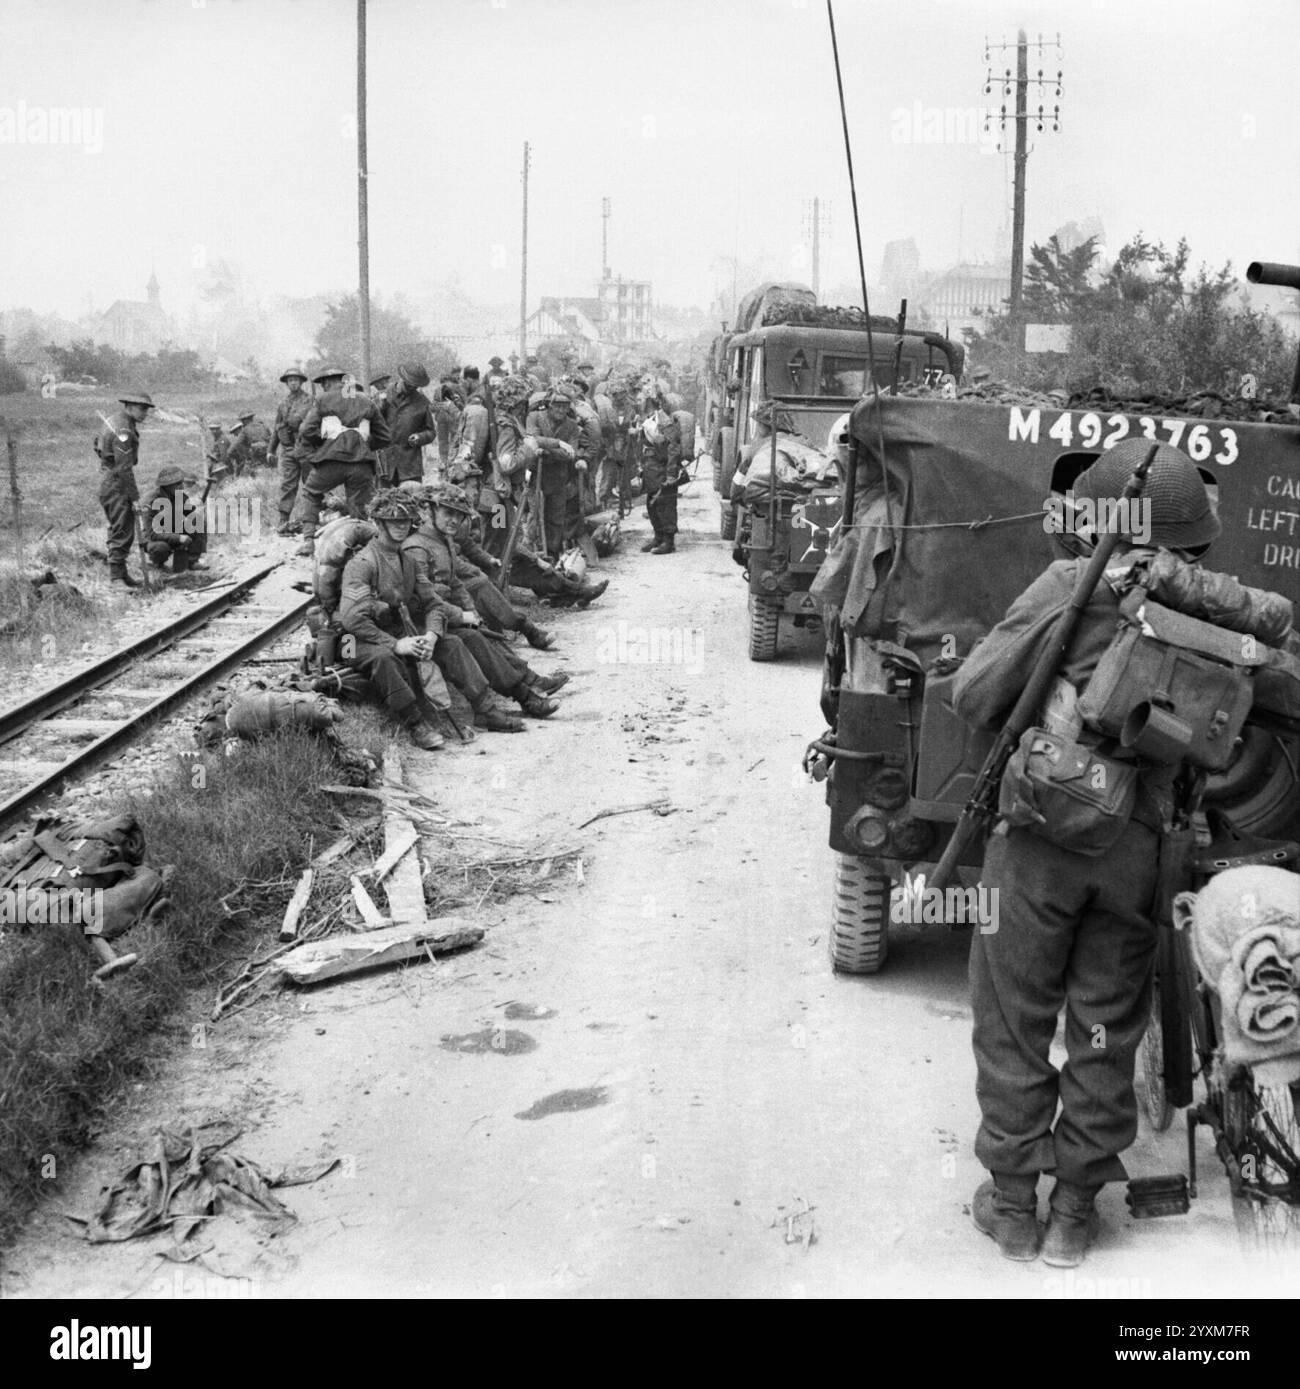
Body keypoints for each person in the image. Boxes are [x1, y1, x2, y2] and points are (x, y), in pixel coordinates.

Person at [949, 440, 1239, 1268]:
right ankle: (1074, 1213)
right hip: (1142, 850)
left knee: (1013, 1017)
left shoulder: (1070, 587)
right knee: (1107, 1024)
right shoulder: (1216, 610)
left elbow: (974, 694)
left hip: (1041, 839)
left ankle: (1012, 1207)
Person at [404, 484, 564, 722]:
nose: (454, 520)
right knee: (475, 638)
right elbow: (425, 600)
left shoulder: (443, 539)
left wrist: (470, 611)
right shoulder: (416, 548)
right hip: (423, 622)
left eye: (459, 515)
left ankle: (528, 688)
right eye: (448, 513)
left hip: (444, 614)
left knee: (484, 633)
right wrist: (462, 616)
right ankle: (521, 697)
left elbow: (455, 581)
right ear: (430, 511)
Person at [336, 489, 447, 751]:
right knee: (384, 659)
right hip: (352, 639)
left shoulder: (408, 561)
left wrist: (431, 635)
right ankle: (416, 722)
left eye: (405, 521)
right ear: (378, 523)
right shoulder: (362, 563)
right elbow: (352, 620)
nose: (400, 527)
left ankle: (489, 704)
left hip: (393, 631)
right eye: (393, 521)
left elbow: (433, 603)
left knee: (451, 641)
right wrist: (396, 645)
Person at [416, 483, 559, 652]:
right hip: (453, 583)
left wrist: (488, 560)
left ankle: (568, 590)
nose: (472, 490)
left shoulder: (465, 516)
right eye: (470, 484)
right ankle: (517, 630)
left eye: (474, 485)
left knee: (483, 582)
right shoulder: (492, 504)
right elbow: (496, 541)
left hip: (481, 564)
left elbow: (469, 546)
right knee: (482, 585)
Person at [294, 365, 391, 558]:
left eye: (323, 385)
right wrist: (362, 444)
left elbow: (306, 430)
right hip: (361, 463)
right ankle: (361, 552)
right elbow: (384, 437)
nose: (323, 388)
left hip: (331, 459)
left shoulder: (323, 399)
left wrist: (324, 442)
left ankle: (308, 541)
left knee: (311, 493)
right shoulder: (366, 400)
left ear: (328, 382)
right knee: (359, 508)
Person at [96, 388, 157, 588]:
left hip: (109, 479)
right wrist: (134, 496)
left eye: (146, 409)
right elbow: (124, 467)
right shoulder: (123, 430)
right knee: (121, 529)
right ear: (129, 407)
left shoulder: (114, 421)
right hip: (116, 483)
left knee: (121, 527)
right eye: (142, 408)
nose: (145, 413)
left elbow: (97, 445)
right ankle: (116, 578)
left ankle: (122, 574)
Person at [525, 385, 586, 557]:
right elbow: (531, 438)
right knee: (534, 515)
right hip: (536, 475)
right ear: (549, 405)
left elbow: (570, 454)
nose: (561, 409)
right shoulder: (535, 417)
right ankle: (530, 552)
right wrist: (558, 444)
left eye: (565, 406)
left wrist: (545, 450)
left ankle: (552, 552)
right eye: (557, 405)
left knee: (556, 518)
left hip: (559, 478)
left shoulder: (572, 426)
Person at [639, 389, 693, 555]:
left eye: (641, 399)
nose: (638, 402)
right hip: (651, 469)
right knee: (652, 504)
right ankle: (658, 537)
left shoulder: (663, 420)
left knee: (666, 504)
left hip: (662, 469)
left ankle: (668, 541)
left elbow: (673, 448)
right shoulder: (648, 419)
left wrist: (670, 474)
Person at [142, 465, 208, 573]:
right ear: (167, 485)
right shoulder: (150, 501)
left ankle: (192, 561)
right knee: (160, 548)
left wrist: (197, 511)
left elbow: (190, 512)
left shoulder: (177, 495)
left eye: (181, 483)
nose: (182, 487)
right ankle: (159, 564)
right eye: (178, 484)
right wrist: (178, 538)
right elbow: (152, 534)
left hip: (172, 530)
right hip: (154, 537)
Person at [381, 362, 437, 486]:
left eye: (415, 387)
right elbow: (372, 424)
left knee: (412, 501)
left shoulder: (422, 402)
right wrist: (380, 406)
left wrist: (420, 437)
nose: (412, 389)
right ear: (401, 379)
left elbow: (431, 432)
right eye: (409, 385)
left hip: (410, 466)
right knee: (382, 500)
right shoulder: (384, 395)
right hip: (385, 464)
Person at [272, 367, 312, 534]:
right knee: (288, 484)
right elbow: (276, 427)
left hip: (305, 447)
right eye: (290, 381)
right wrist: (270, 450)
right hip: (288, 449)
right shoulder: (283, 403)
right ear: (287, 383)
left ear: (301, 382)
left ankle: (312, 517)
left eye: (296, 380)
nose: (293, 383)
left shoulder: (309, 400)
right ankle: (283, 519)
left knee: (310, 483)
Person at [449, 367, 490, 509]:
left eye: (462, 381)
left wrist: (460, 468)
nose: (460, 385)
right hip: (482, 468)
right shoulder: (479, 397)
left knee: (469, 508)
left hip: (473, 471)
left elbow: (472, 444)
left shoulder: (476, 405)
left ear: (470, 380)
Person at [204, 421, 233, 490]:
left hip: (222, 468)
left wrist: (218, 467)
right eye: (211, 429)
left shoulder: (222, 439)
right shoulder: (217, 439)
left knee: (223, 485)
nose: (213, 431)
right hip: (218, 467)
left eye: (215, 429)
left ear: (219, 429)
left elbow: (223, 457)